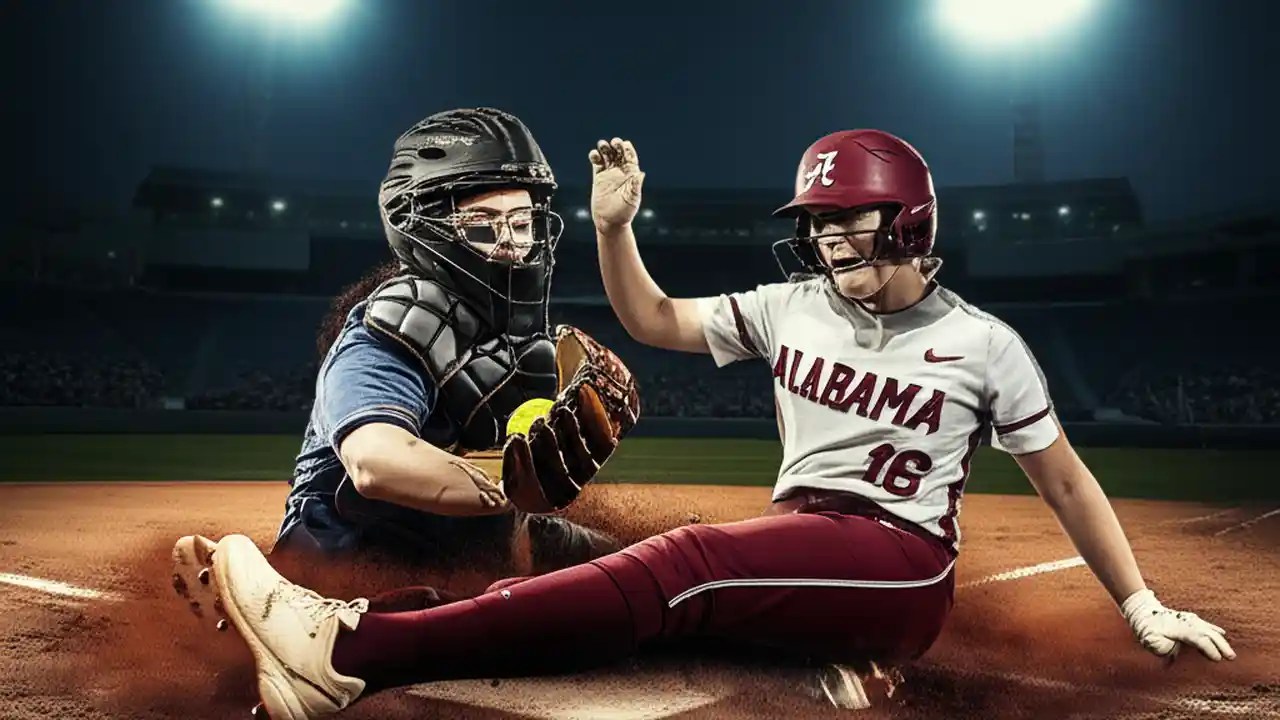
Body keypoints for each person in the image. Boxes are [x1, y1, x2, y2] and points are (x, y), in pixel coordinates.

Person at [172, 130, 1234, 719]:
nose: (824, 241)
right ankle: (824, 666)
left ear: (907, 219)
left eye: (845, 221)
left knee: (684, 565)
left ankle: (357, 650)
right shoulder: (795, 308)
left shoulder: (985, 344)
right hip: (807, 543)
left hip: (898, 557)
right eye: (814, 225)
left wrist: (1138, 605)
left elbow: (1061, 480)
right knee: (649, 571)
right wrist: (614, 230)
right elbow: (649, 317)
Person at [173, 109, 623, 601]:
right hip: (350, 561)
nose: (511, 246)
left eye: (522, 223)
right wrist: (514, 483)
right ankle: (270, 604)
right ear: (425, 228)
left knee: (628, 565)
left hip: (461, 555)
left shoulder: (520, 346)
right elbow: (375, 461)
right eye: (482, 225)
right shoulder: (389, 332)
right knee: (424, 604)